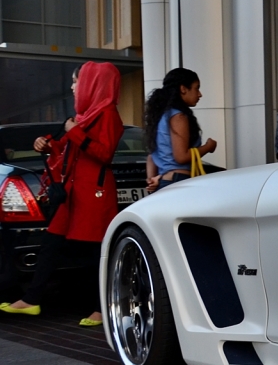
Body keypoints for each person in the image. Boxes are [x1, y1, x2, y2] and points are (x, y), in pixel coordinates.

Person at [1, 62, 123, 325]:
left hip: (94, 195)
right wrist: (45, 144)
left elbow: (104, 154)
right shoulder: (86, 117)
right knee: (50, 245)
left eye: (76, 81)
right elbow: (66, 151)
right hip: (73, 195)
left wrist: (75, 133)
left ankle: (101, 308)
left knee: (95, 253)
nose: (72, 87)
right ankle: (31, 300)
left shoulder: (108, 115)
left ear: (92, 83)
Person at [145, 68, 217, 192]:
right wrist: (208, 147)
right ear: (183, 89)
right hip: (179, 180)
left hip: (166, 181)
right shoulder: (178, 117)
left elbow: (152, 156)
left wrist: (152, 179)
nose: (200, 94)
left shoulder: (161, 116)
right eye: (196, 88)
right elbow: (181, 157)